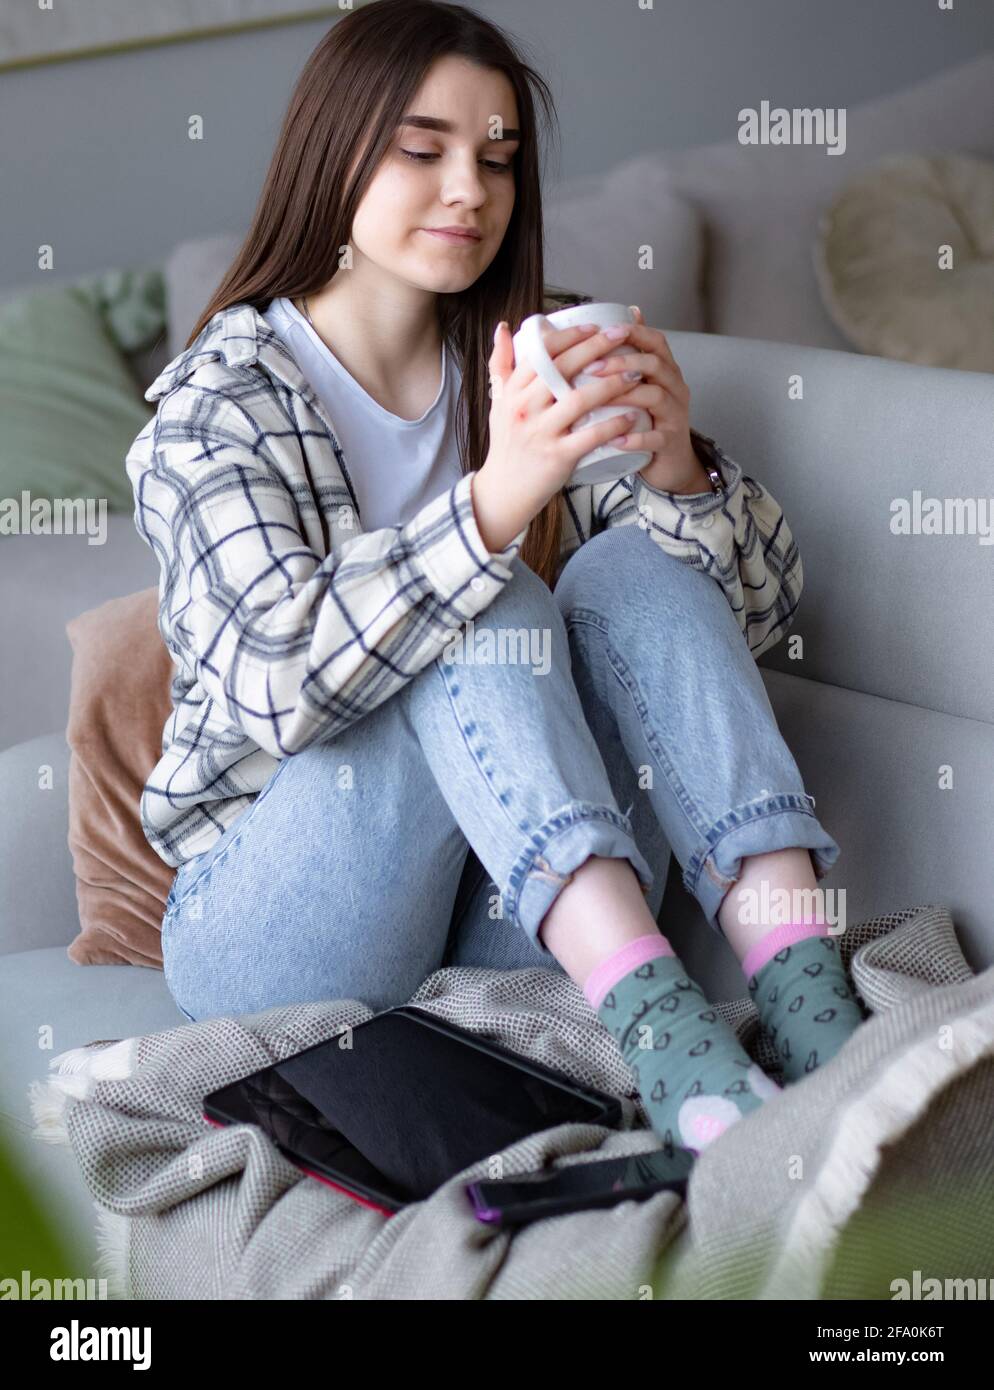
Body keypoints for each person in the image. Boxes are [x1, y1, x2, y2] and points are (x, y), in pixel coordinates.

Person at [127, 0, 866, 1158]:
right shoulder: (217, 409)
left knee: (630, 564)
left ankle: (813, 1008)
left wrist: (675, 469)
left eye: (499, 157)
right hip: (280, 930)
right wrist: (491, 505)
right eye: (422, 151)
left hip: (514, 914)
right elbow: (279, 687)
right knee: (494, 602)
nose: (468, 188)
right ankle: (667, 1036)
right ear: (334, 155)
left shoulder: (535, 347)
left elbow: (759, 621)